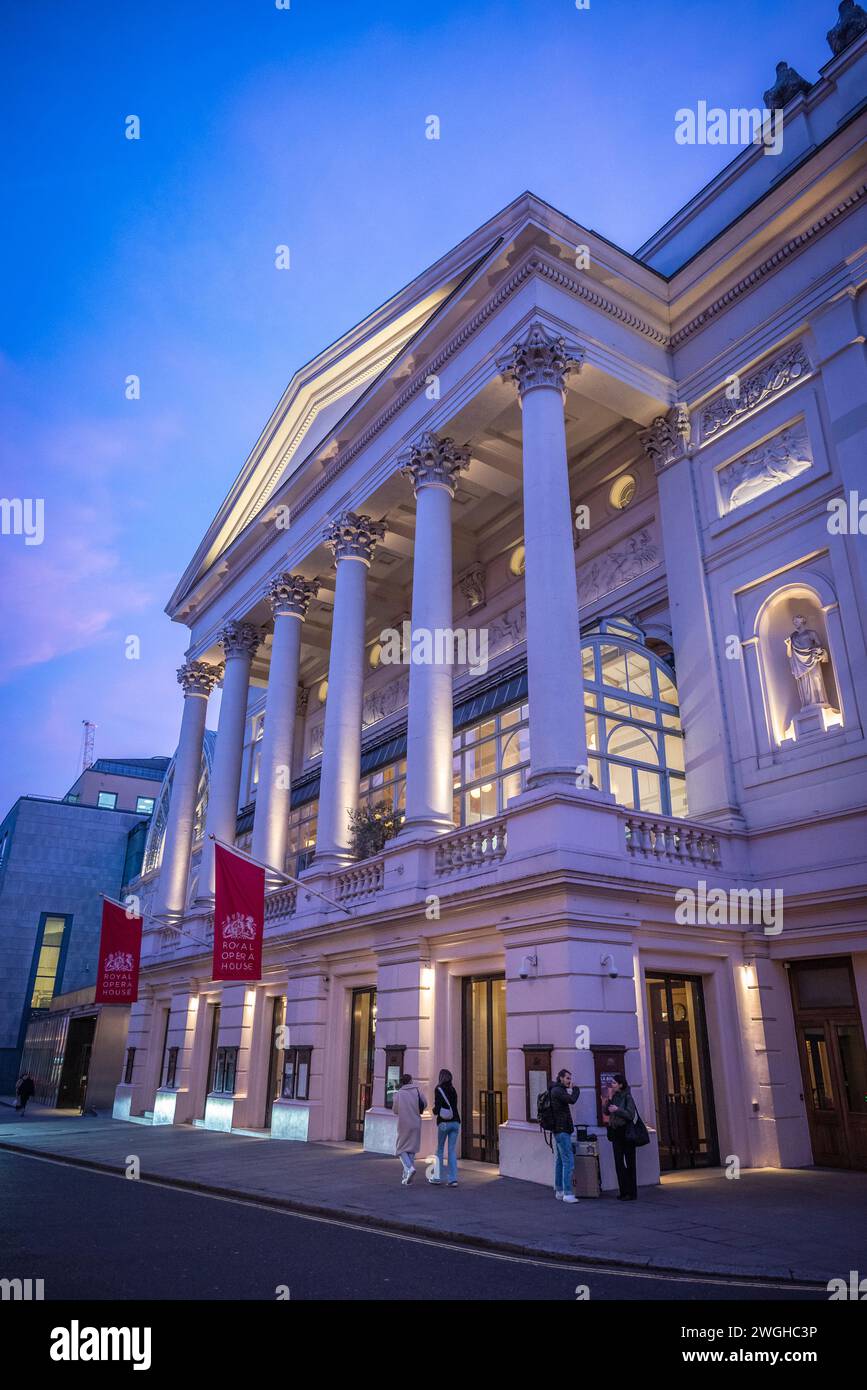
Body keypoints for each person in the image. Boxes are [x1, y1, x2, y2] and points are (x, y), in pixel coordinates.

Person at [603, 1072, 638, 1200]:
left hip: (626, 1132)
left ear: (620, 1084)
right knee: (618, 1162)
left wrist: (618, 1110)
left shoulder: (628, 1097)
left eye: (614, 1083)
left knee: (630, 1162)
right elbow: (605, 1111)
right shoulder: (615, 1096)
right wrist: (610, 1098)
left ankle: (631, 1192)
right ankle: (623, 1191)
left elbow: (630, 1114)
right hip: (616, 1132)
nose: (612, 1085)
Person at [550, 1068, 580, 1204]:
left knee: (560, 1161)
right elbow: (572, 1100)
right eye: (567, 1078)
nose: (569, 1081)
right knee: (568, 1161)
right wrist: (576, 1089)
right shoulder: (558, 1091)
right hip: (562, 1130)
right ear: (561, 1078)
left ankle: (559, 1190)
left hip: (558, 1130)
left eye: (570, 1078)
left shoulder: (555, 1090)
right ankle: (567, 1193)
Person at [393, 1073, 427, 1185]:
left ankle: (409, 1168)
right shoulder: (417, 1091)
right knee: (411, 1149)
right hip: (416, 1123)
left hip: (404, 1124)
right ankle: (407, 1177)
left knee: (401, 1149)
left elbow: (395, 1110)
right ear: (411, 1080)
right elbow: (425, 1104)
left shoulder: (399, 1094)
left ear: (402, 1082)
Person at [430, 1068, 461, 1186]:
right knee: (452, 1150)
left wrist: (434, 1111)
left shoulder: (438, 1089)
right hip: (455, 1122)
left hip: (443, 1123)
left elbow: (437, 1108)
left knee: (440, 1149)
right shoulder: (453, 1090)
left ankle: (437, 1177)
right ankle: (453, 1179)